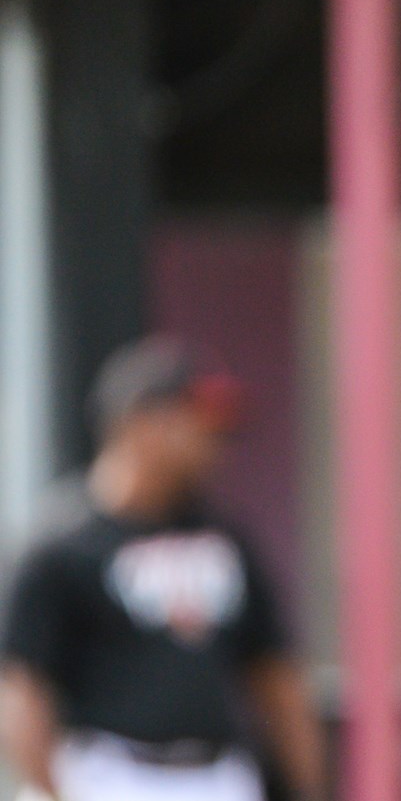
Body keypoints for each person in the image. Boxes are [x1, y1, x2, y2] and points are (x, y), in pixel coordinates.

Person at [0, 335, 325, 801]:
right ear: (141, 422)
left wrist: (310, 788)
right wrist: (51, 791)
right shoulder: (62, 544)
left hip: (218, 775)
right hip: (108, 775)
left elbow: (275, 676)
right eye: (198, 423)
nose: (215, 444)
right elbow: (22, 688)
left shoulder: (225, 538)